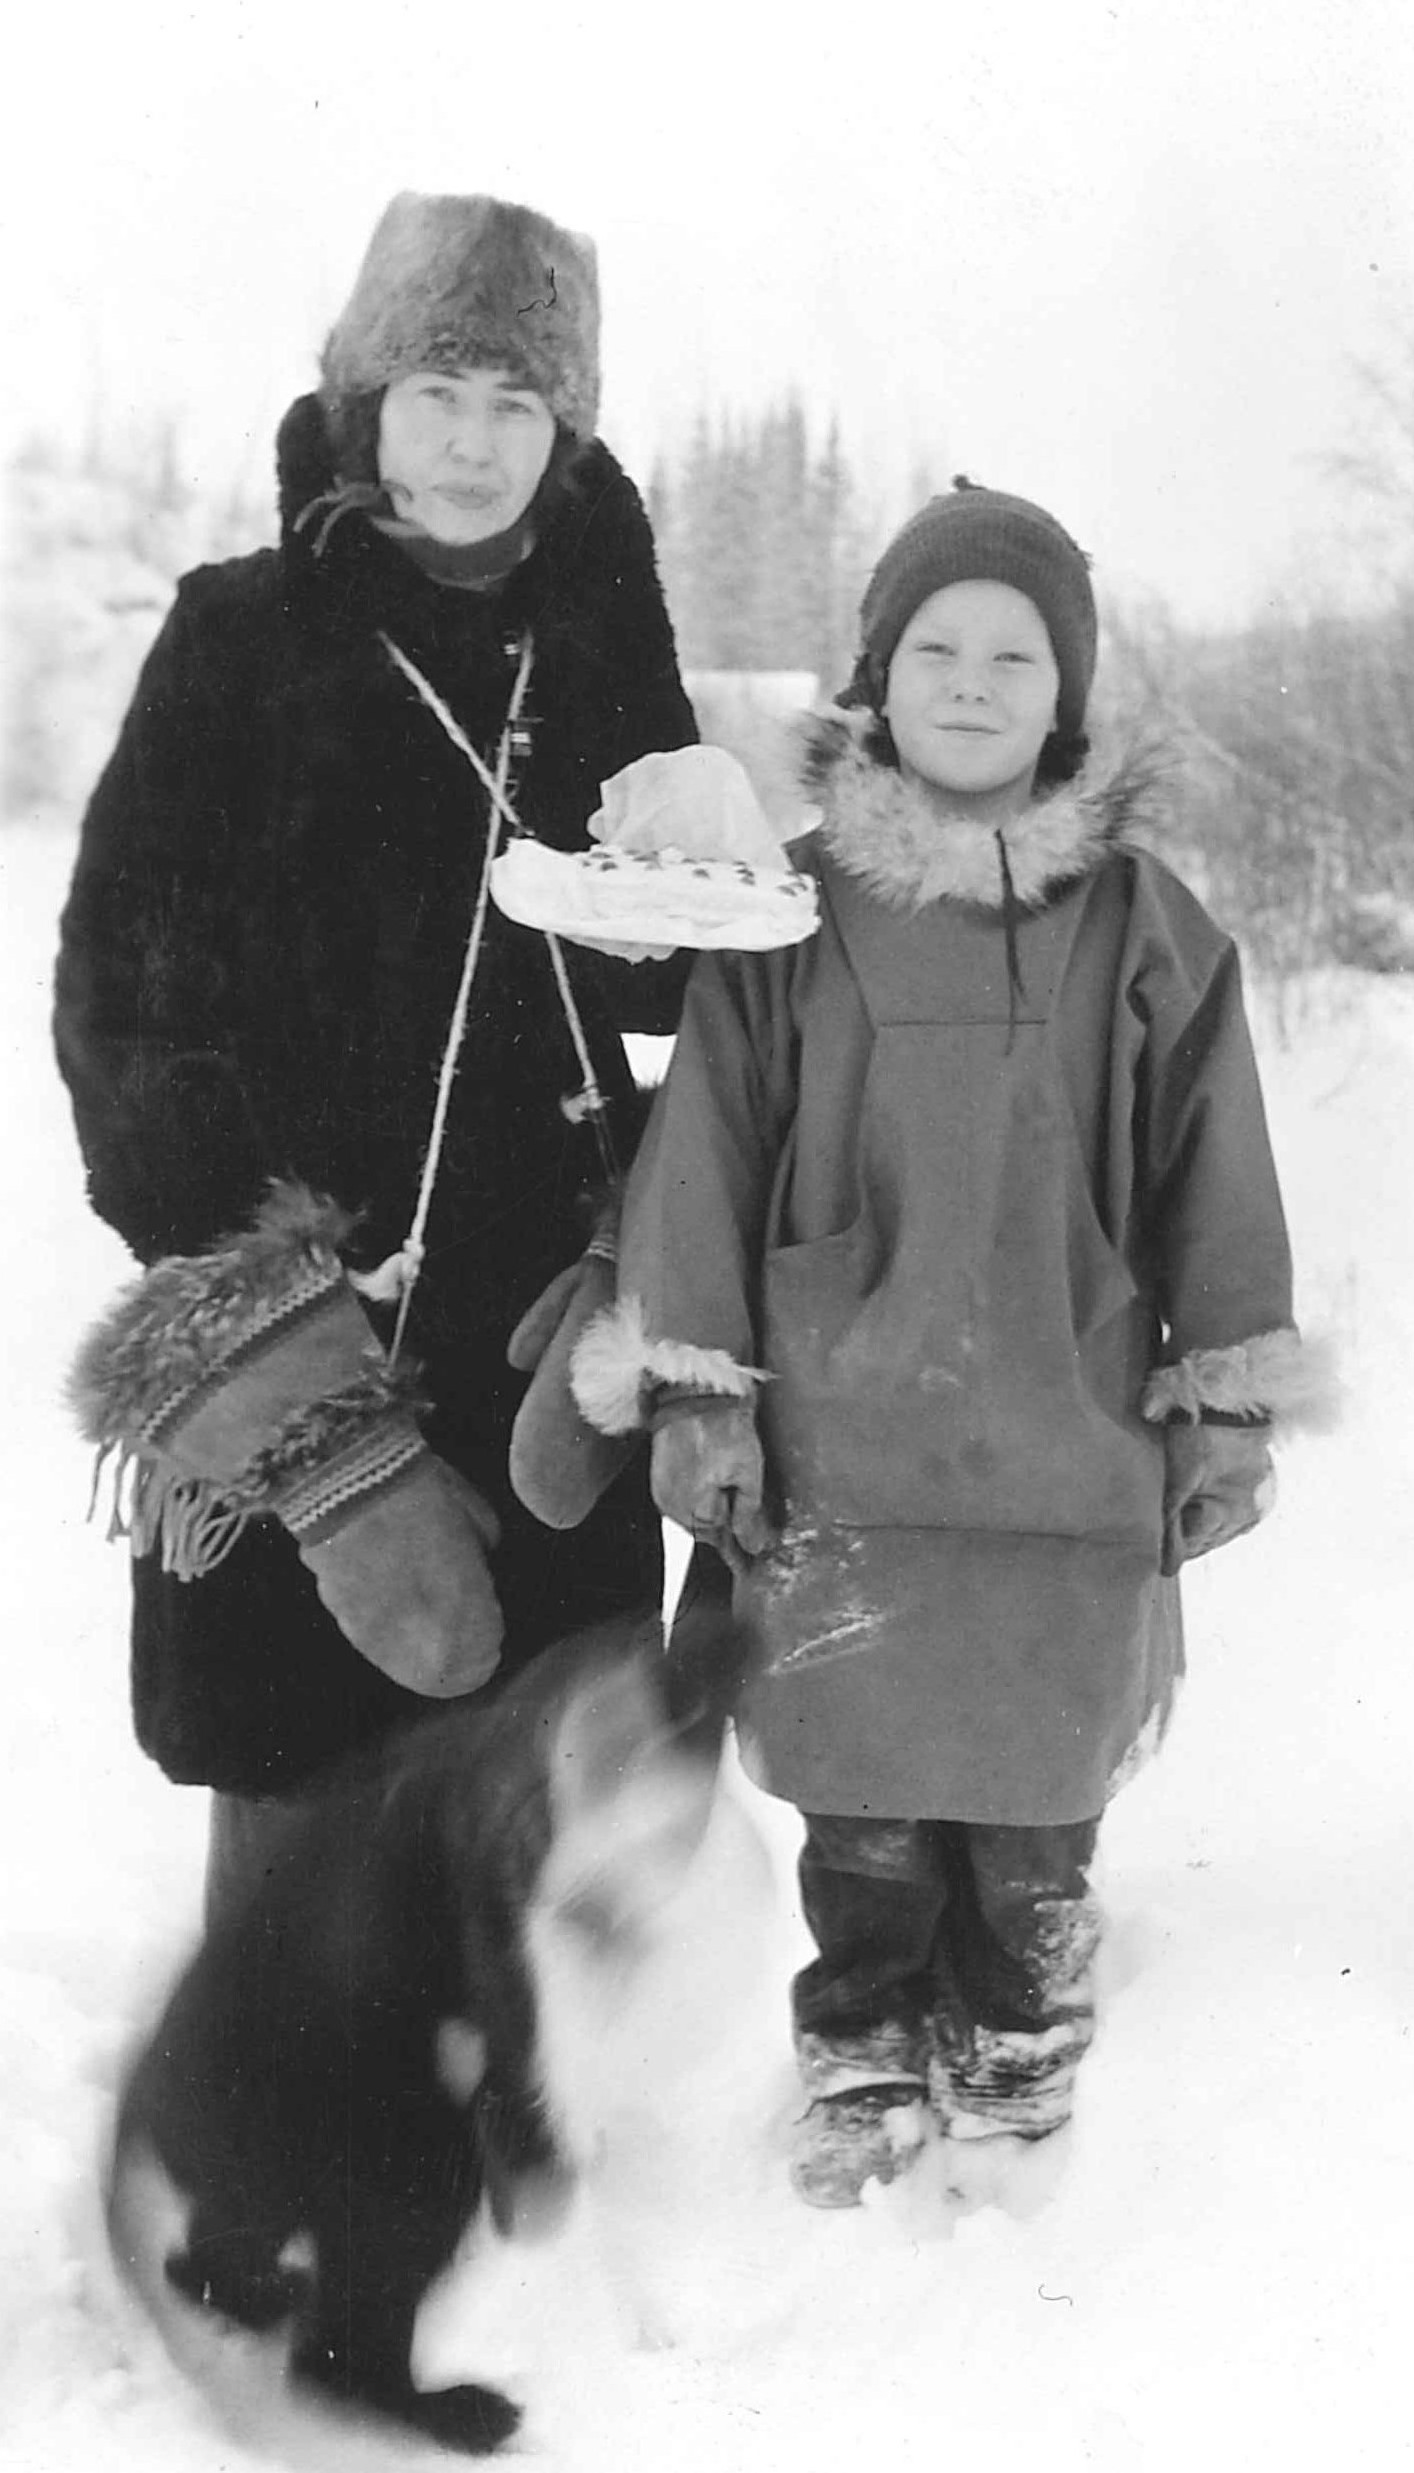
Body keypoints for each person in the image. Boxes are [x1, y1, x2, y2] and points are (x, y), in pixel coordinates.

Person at [569, 479, 1335, 2206]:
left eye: (1015, 652)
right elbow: (704, 1147)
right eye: (938, 646)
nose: (975, 680)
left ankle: (1017, 2020)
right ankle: (857, 2030)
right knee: (864, 1786)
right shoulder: (794, 908)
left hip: (1067, 1428)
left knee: (1041, 1772)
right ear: (877, 671)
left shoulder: (1146, 924)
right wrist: (698, 1390)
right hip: (849, 1436)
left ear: (1068, 693)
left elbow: (1219, 1168)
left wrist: (1223, 1399)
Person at [54, 190, 698, 1923]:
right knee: (296, 1813)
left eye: (519, 403)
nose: (474, 442)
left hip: (544, 1326)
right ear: (364, 404)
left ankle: (528, 2142)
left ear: (567, 433)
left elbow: (688, 1003)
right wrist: (276, 1358)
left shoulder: (601, 656)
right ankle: (259, 2149)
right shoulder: (238, 639)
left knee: (539, 1819)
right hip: (303, 1318)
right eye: (437, 391)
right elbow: (124, 1009)